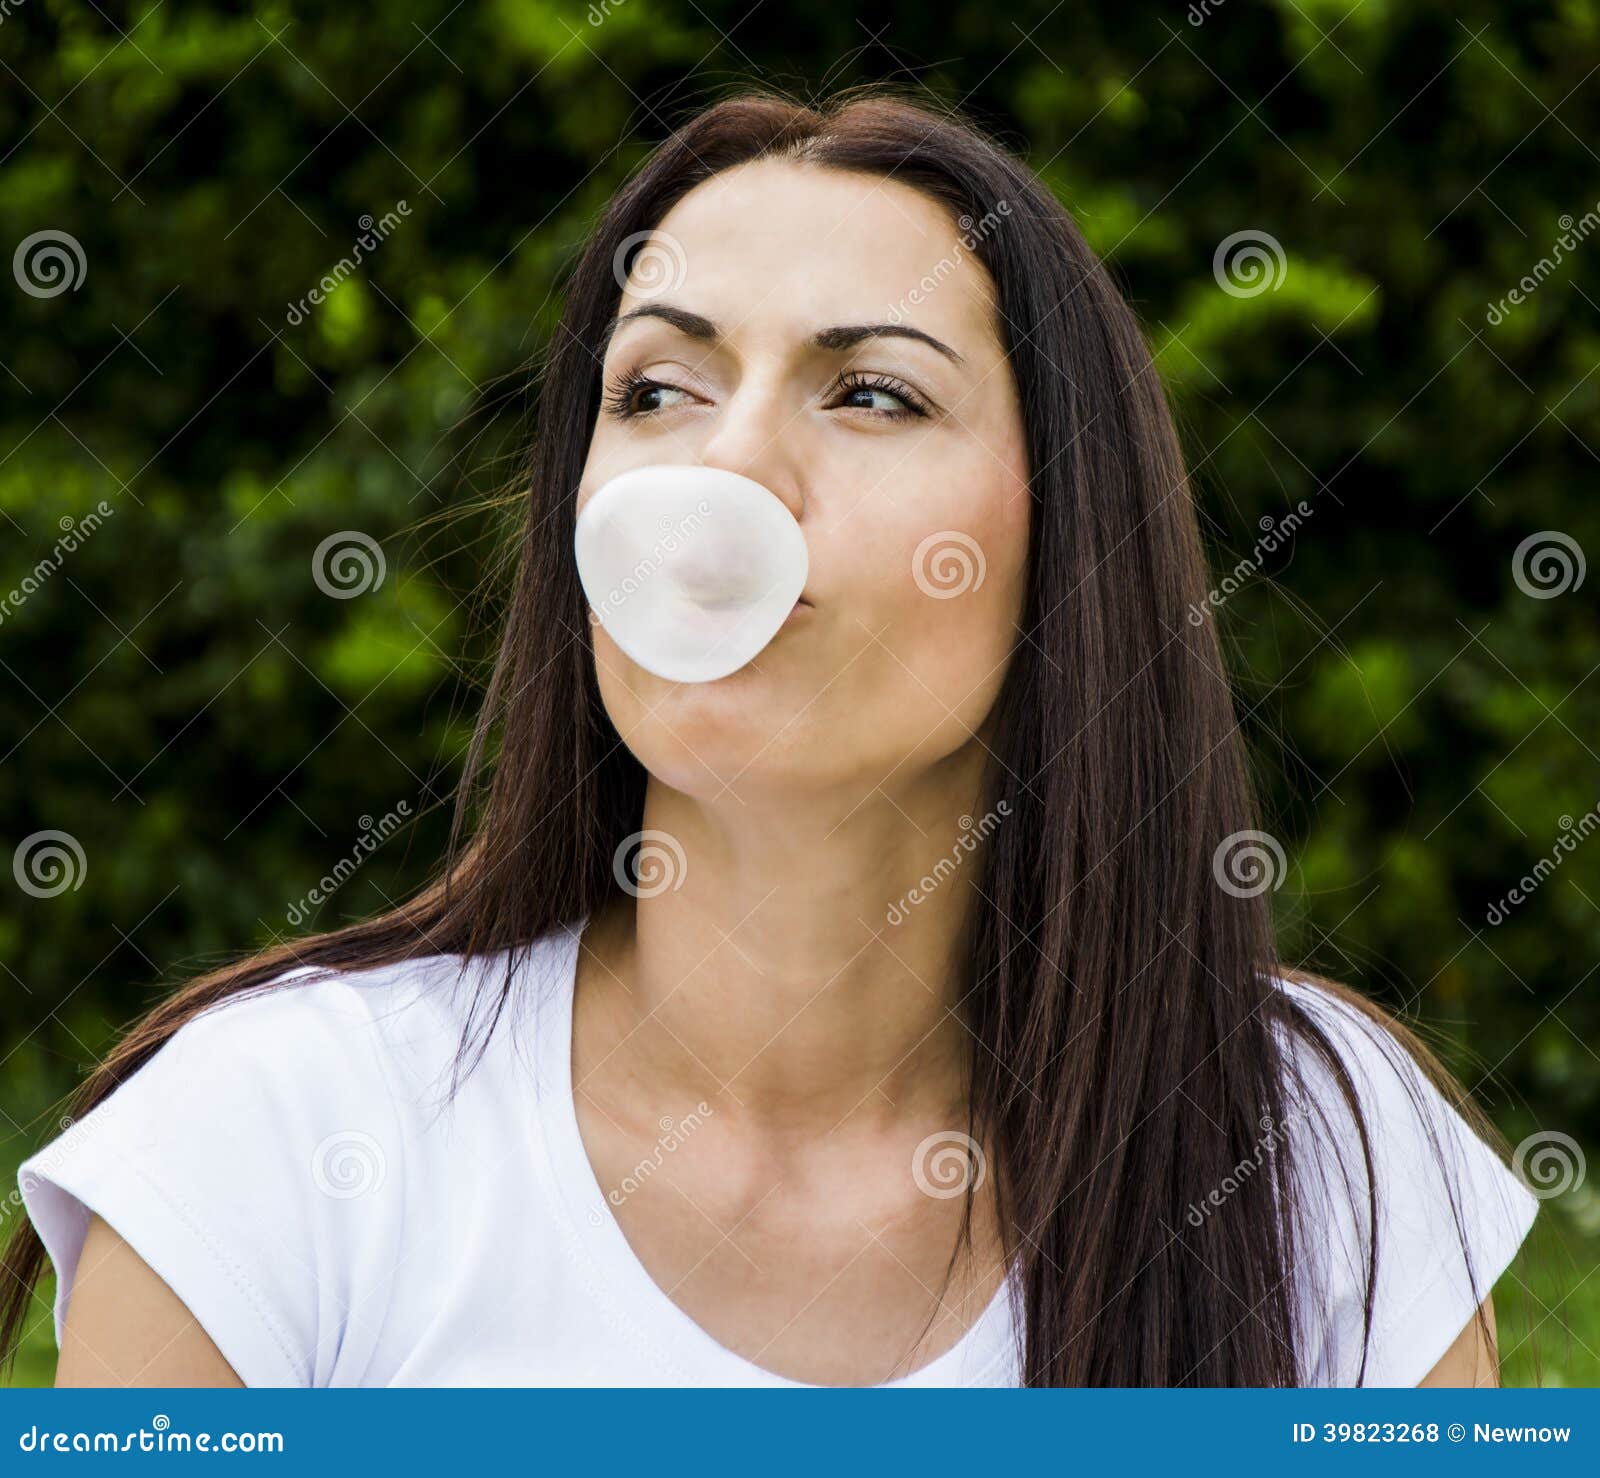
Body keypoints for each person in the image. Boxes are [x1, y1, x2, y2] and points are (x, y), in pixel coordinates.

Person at [4, 86, 1539, 1388]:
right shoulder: (266, 1145)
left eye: (869, 394)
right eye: (656, 387)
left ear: (1066, 539)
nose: (728, 472)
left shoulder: (1325, 1164)